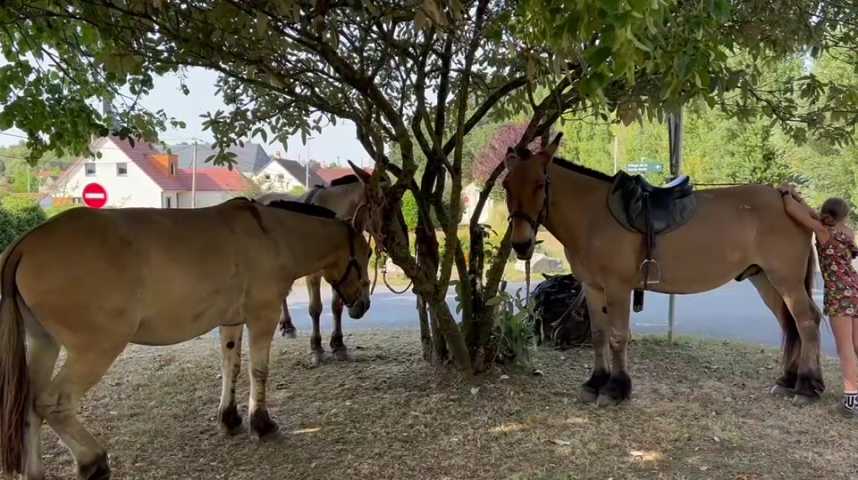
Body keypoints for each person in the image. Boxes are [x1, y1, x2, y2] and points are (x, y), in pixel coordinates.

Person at [779, 183, 858, 416]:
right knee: (856, 346)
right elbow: (811, 212)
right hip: (855, 288)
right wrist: (798, 196)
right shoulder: (847, 232)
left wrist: (785, 194)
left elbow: (796, 212)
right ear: (843, 215)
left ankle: (852, 401)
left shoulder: (823, 232)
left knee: (845, 349)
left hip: (838, 295)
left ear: (826, 215)